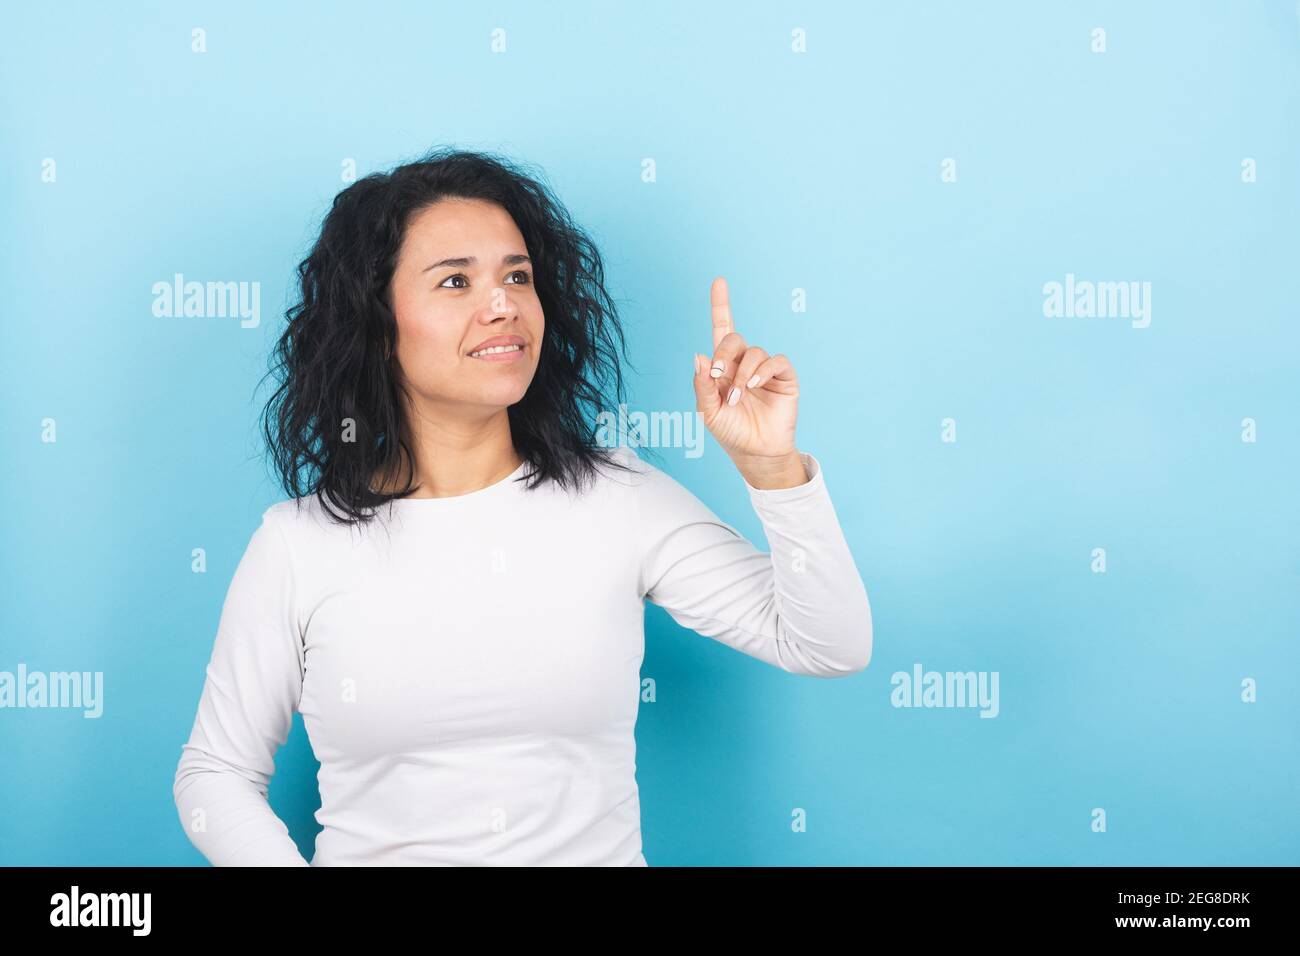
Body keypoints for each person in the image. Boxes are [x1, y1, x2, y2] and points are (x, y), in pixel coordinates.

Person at [172, 147, 873, 866]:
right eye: (455, 281)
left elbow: (829, 642)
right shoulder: (298, 545)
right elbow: (214, 773)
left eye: (517, 276)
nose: (502, 303)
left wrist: (772, 468)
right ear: (378, 328)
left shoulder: (617, 499)